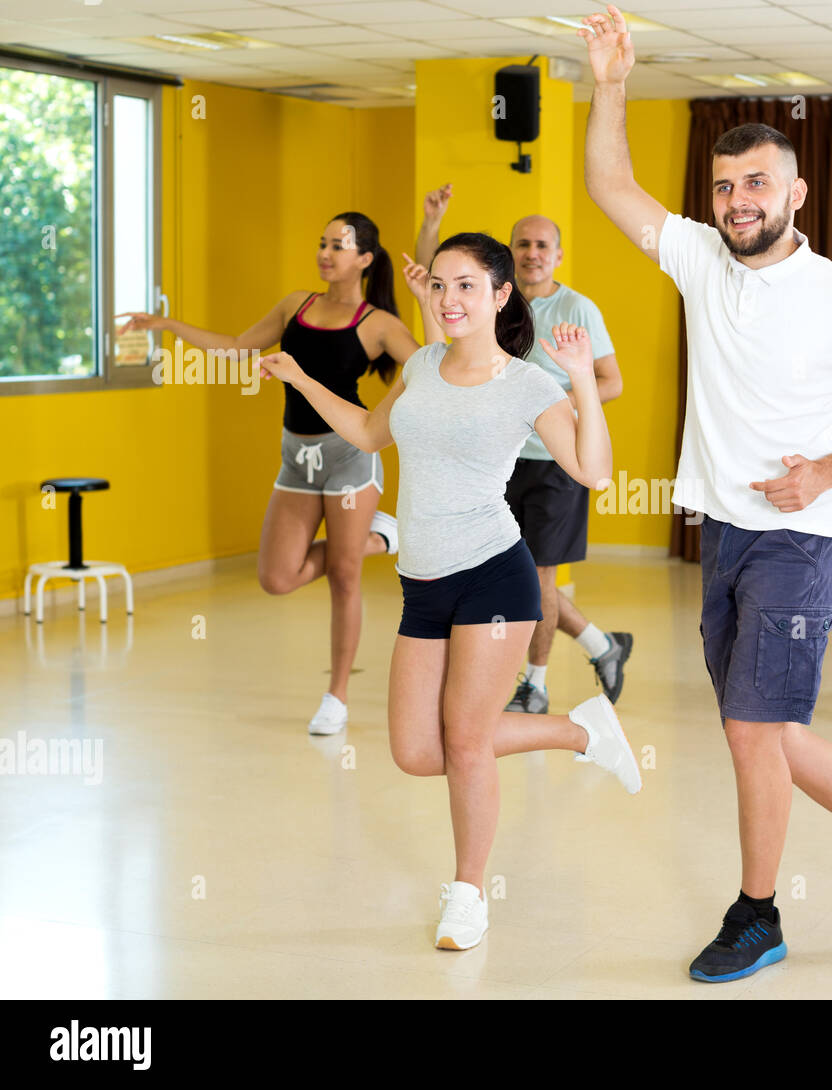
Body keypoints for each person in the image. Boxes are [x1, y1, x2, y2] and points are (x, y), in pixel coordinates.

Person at [579, 3, 832, 984]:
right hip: (727, 532)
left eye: (756, 182)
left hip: (804, 537)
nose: (736, 199)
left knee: (754, 730)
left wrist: (826, 470)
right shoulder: (699, 260)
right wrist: (611, 88)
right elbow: (609, 184)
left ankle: (757, 913)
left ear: (795, 191)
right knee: (766, 733)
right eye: (723, 186)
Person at [257, 233, 641, 952]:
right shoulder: (424, 365)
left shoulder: (528, 383)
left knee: (464, 743)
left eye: (467, 285)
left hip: (495, 575)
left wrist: (582, 378)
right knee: (414, 749)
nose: (450, 298)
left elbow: (594, 471)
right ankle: (582, 732)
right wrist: (304, 383)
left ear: (501, 297)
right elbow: (371, 433)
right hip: (423, 586)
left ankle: (468, 895)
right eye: (439, 285)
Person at [118, 212, 416, 735]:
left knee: (344, 578)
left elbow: (426, 372)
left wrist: (381, 426)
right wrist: (166, 326)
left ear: (365, 259)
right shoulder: (295, 305)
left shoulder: (380, 324)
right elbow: (235, 347)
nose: (326, 253)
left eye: (338, 246)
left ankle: (337, 696)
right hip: (296, 457)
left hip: (349, 458)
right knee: (276, 578)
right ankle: (380, 537)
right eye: (322, 243)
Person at [415, 192, 633, 714]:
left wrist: (549, 405)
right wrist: (432, 222)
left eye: (543, 244)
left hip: (555, 464)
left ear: (557, 254)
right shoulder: (497, 303)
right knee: (519, 572)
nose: (533, 251)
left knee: (536, 578)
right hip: (497, 459)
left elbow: (612, 382)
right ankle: (603, 646)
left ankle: (535, 683)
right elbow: (431, 283)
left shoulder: (578, 308)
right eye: (523, 244)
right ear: (510, 256)